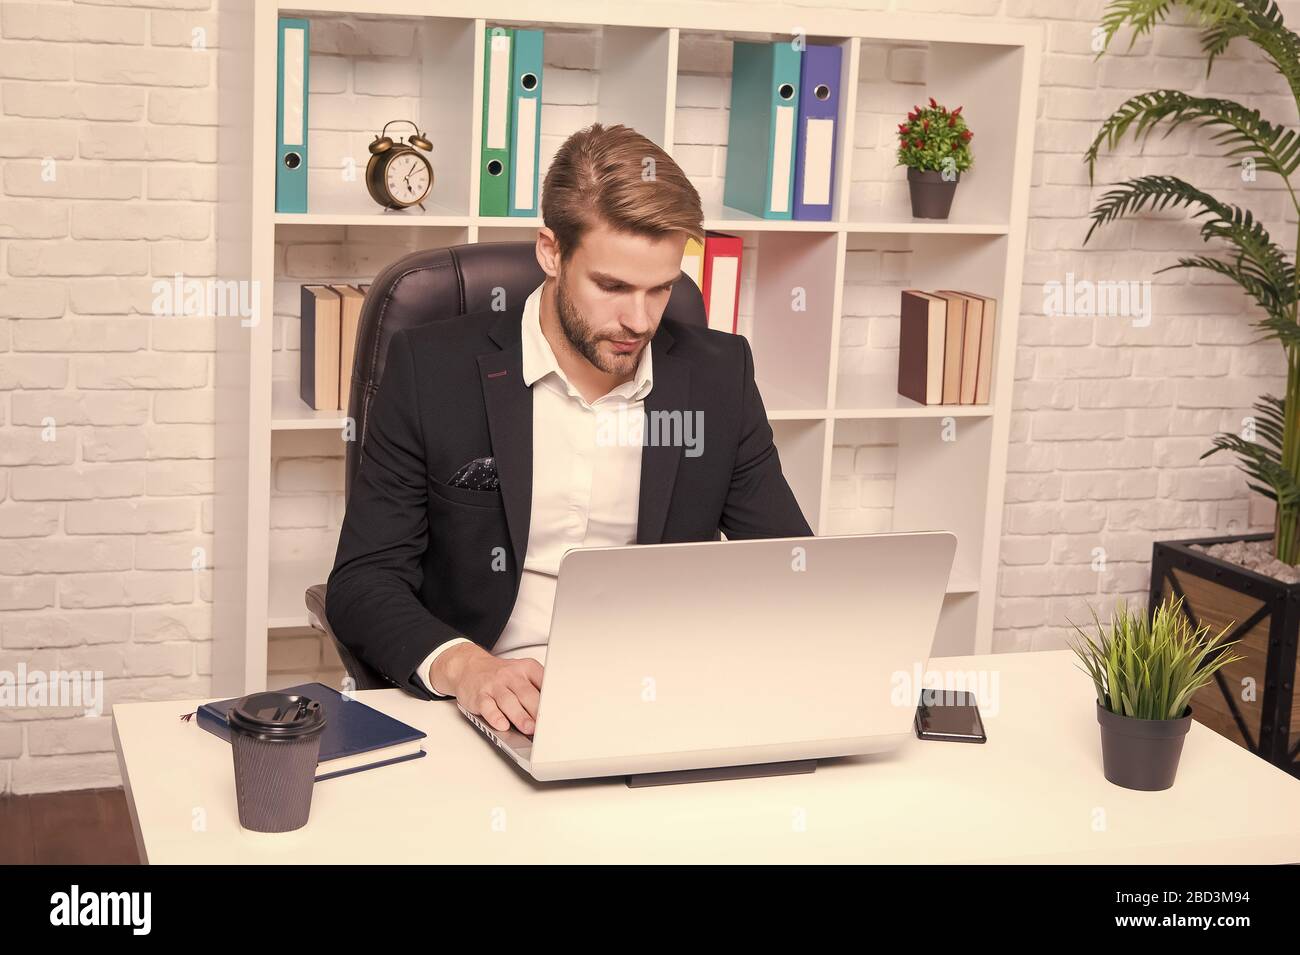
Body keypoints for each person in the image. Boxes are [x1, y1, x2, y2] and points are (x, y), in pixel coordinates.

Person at [326, 122, 811, 736]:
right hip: (486, 702)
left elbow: (788, 566)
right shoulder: (432, 370)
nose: (638, 320)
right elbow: (363, 581)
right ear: (551, 252)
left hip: (659, 701)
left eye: (661, 289)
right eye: (611, 286)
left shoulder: (719, 376)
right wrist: (463, 666)